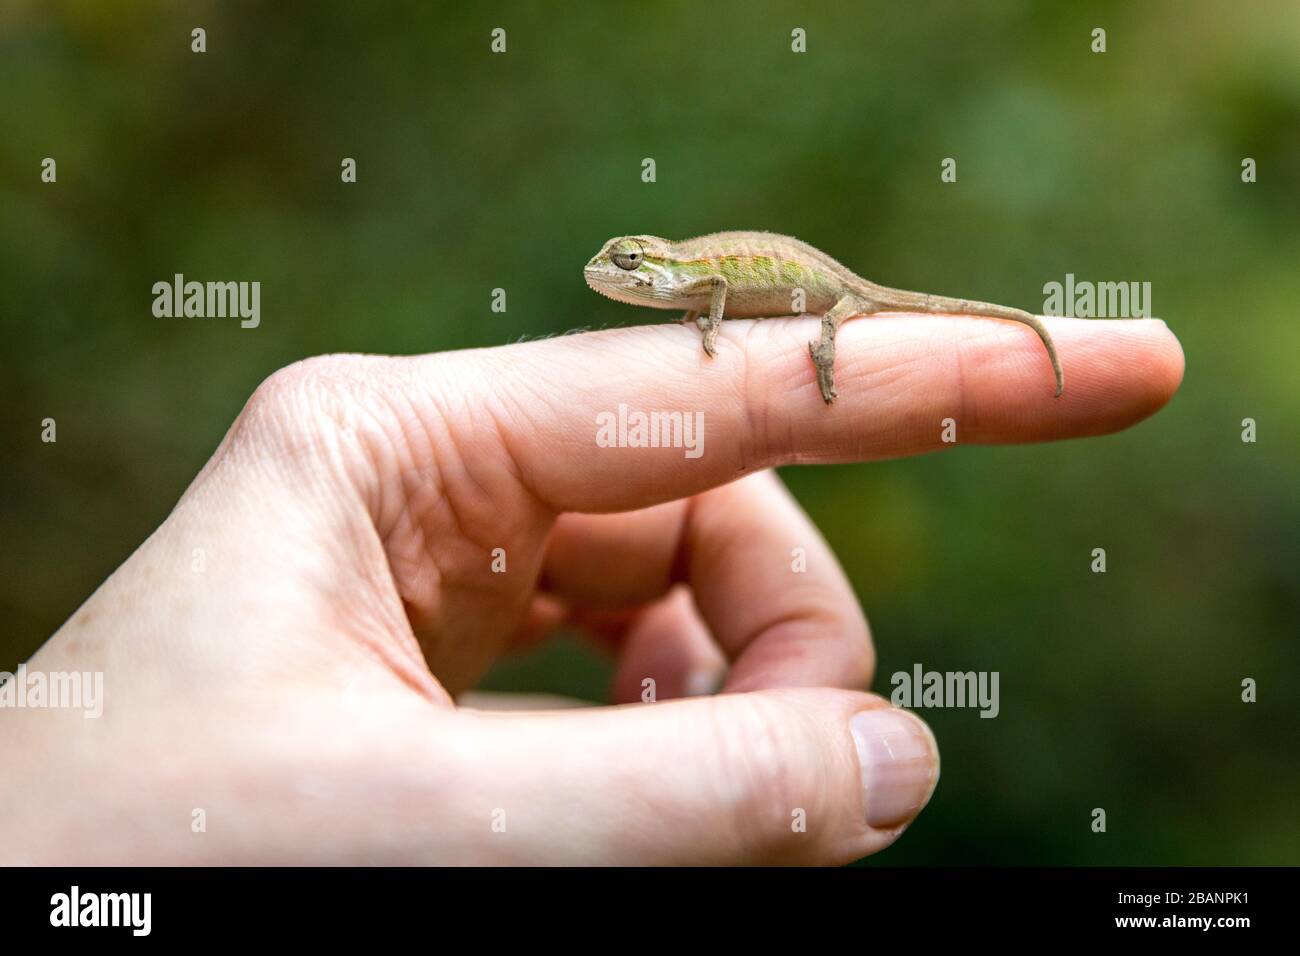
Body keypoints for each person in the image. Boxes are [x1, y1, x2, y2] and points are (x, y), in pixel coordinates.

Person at [0, 314, 1183, 864]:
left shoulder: (706, 289)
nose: (617, 280)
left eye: (632, 270)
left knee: (846, 334)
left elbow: (758, 297)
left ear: (667, 278)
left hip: (812, 297)